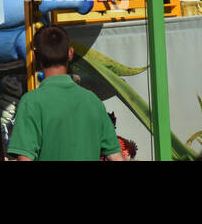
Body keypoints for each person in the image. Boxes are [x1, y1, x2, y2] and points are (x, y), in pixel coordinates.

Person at [7, 25, 123, 161]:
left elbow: (25, 158)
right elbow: (116, 156)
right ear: (70, 53)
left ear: (34, 56)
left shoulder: (31, 102)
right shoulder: (92, 100)